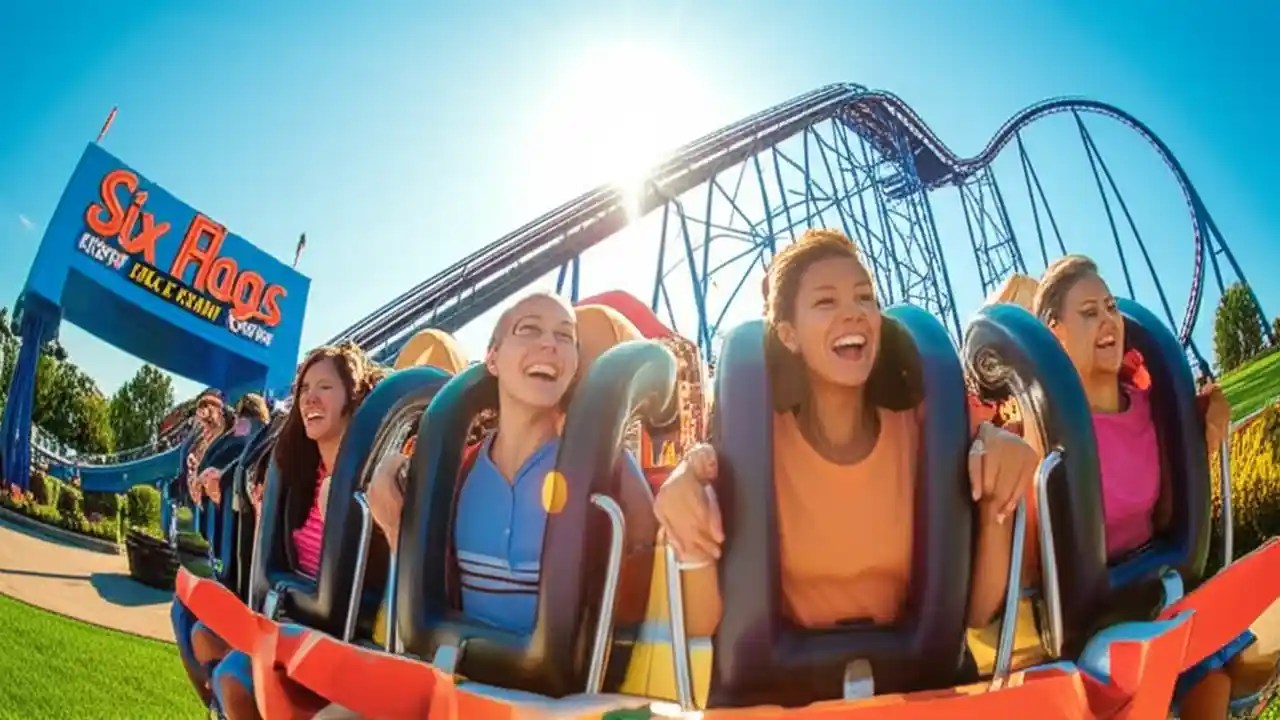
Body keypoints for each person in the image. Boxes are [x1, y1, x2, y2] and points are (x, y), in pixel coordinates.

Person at [654, 229, 1039, 689]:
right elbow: (700, 624)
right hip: (787, 695)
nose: (854, 311)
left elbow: (976, 611)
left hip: (920, 687)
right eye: (825, 302)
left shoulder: (924, 429)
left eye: (864, 297)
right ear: (788, 335)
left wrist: (1000, 497)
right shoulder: (751, 443)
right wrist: (688, 533)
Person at [1028, 255, 1248, 719]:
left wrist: (1209, 415)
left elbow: (1175, 506)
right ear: (1055, 333)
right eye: (1088, 313)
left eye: (1110, 306)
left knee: (1213, 678)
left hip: (1154, 593)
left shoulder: (1155, 408)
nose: (1108, 319)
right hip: (1087, 625)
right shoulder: (1041, 430)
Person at [366, 293, 654, 636]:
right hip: (455, 675)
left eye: (565, 336)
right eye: (529, 329)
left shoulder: (610, 468)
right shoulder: (456, 472)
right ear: (493, 358)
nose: (549, 344)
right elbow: (422, 590)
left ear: (575, 363)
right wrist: (390, 495)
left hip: (564, 684)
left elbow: (647, 607)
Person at [170, 343, 382, 718]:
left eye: (325, 388)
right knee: (194, 627)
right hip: (289, 615)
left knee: (235, 676)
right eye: (304, 389)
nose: (310, 398)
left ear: (352, 396)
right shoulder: (298, 472)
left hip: (341, 633)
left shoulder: (372, 472)